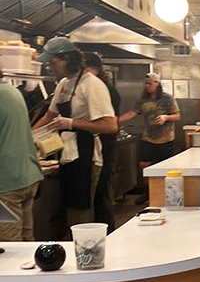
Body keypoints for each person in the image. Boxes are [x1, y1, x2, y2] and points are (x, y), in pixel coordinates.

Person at [32, 37, 117, 230]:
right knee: (71, 207)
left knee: (81, 207)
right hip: (68, 154)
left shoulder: (92, 85)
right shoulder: (63, 84)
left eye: (52, 62)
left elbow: (110, 125)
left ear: (67, 59)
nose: (50, 67)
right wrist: (28, 136)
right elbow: (49, 116)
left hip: (87, 156)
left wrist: (71, 123)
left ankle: (87, 251)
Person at [118, 73, 180, 196]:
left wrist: (165, 117)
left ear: (157, 83)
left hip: (165, 138)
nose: (147, 86)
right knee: (144, 165)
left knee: (164, 167)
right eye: (146, 83)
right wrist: (115, 120)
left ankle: (164, 193)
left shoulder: (167, 98)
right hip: (148, 137)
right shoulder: (142, 100)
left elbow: (177, 116)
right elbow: (132, 113)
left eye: (150, 83)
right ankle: (148, 192)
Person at [0, 68, 44, 241]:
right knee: (26, 240)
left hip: (7, 184)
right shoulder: (12, 92)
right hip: (28, 175)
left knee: (10, 246)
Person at [83, 52, 120, 233]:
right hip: (98, 147)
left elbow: (111, 124)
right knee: (100, 193)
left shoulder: (100, 88)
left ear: (95, 70)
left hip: (104, 146)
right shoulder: (101, 87)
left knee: (101, 192)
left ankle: (106, 233)